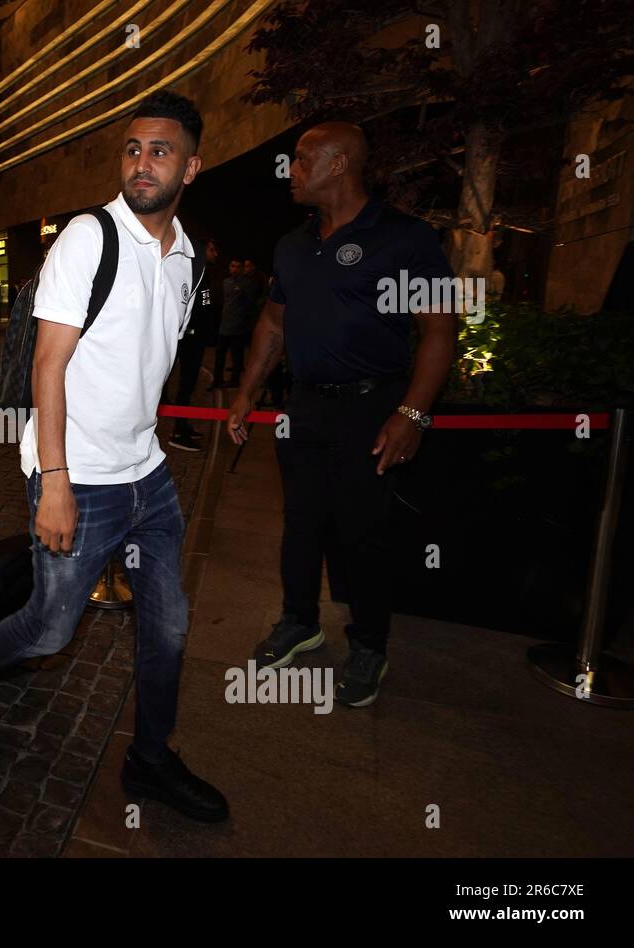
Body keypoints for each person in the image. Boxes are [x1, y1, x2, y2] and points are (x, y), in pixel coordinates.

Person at [0, 90, 228, 824]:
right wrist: (53, 480)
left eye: (160, 150)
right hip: (77, 475)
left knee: (170, 624)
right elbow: (48, 367)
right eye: (132, 149)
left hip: (146, 475)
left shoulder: (188, 257)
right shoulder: (89, 239)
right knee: (54, 626)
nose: (142, 163)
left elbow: (146, 364)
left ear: (192, 165)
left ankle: (150, 760)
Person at [227, 121, 456, 707]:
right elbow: (273, 325)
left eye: (302, 161)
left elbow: (437, 329)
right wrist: (247, 393)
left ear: (339, 165)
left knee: (362, 533)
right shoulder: (293, 244)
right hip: (303, 406)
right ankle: (299, 621)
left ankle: (370, 644)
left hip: (372, 405)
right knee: (301, 523)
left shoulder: (404, 239)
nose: (291, 172)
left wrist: (413, 413)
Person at [165, 235, 219, 451]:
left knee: (187, 385)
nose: (216, 254)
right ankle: (178, 431)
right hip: (189, 338)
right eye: (213, 249)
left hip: (193, 337)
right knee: (185, 385)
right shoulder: (196, 271)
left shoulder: (201, 272)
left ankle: (182, 424)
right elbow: (201, 307)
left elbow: (205, 305)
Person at [212, 259, 250, 389]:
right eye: (232, 266)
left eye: (237, 266)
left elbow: (250, 304)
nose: (234, 269)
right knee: (219, 356)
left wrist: (243, 320)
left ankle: (235, 381)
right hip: (224, 326)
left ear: (241, 269)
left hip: (238, 327)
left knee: (237, 356)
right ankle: (217, 380)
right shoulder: (225, 282)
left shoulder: (246, 283)